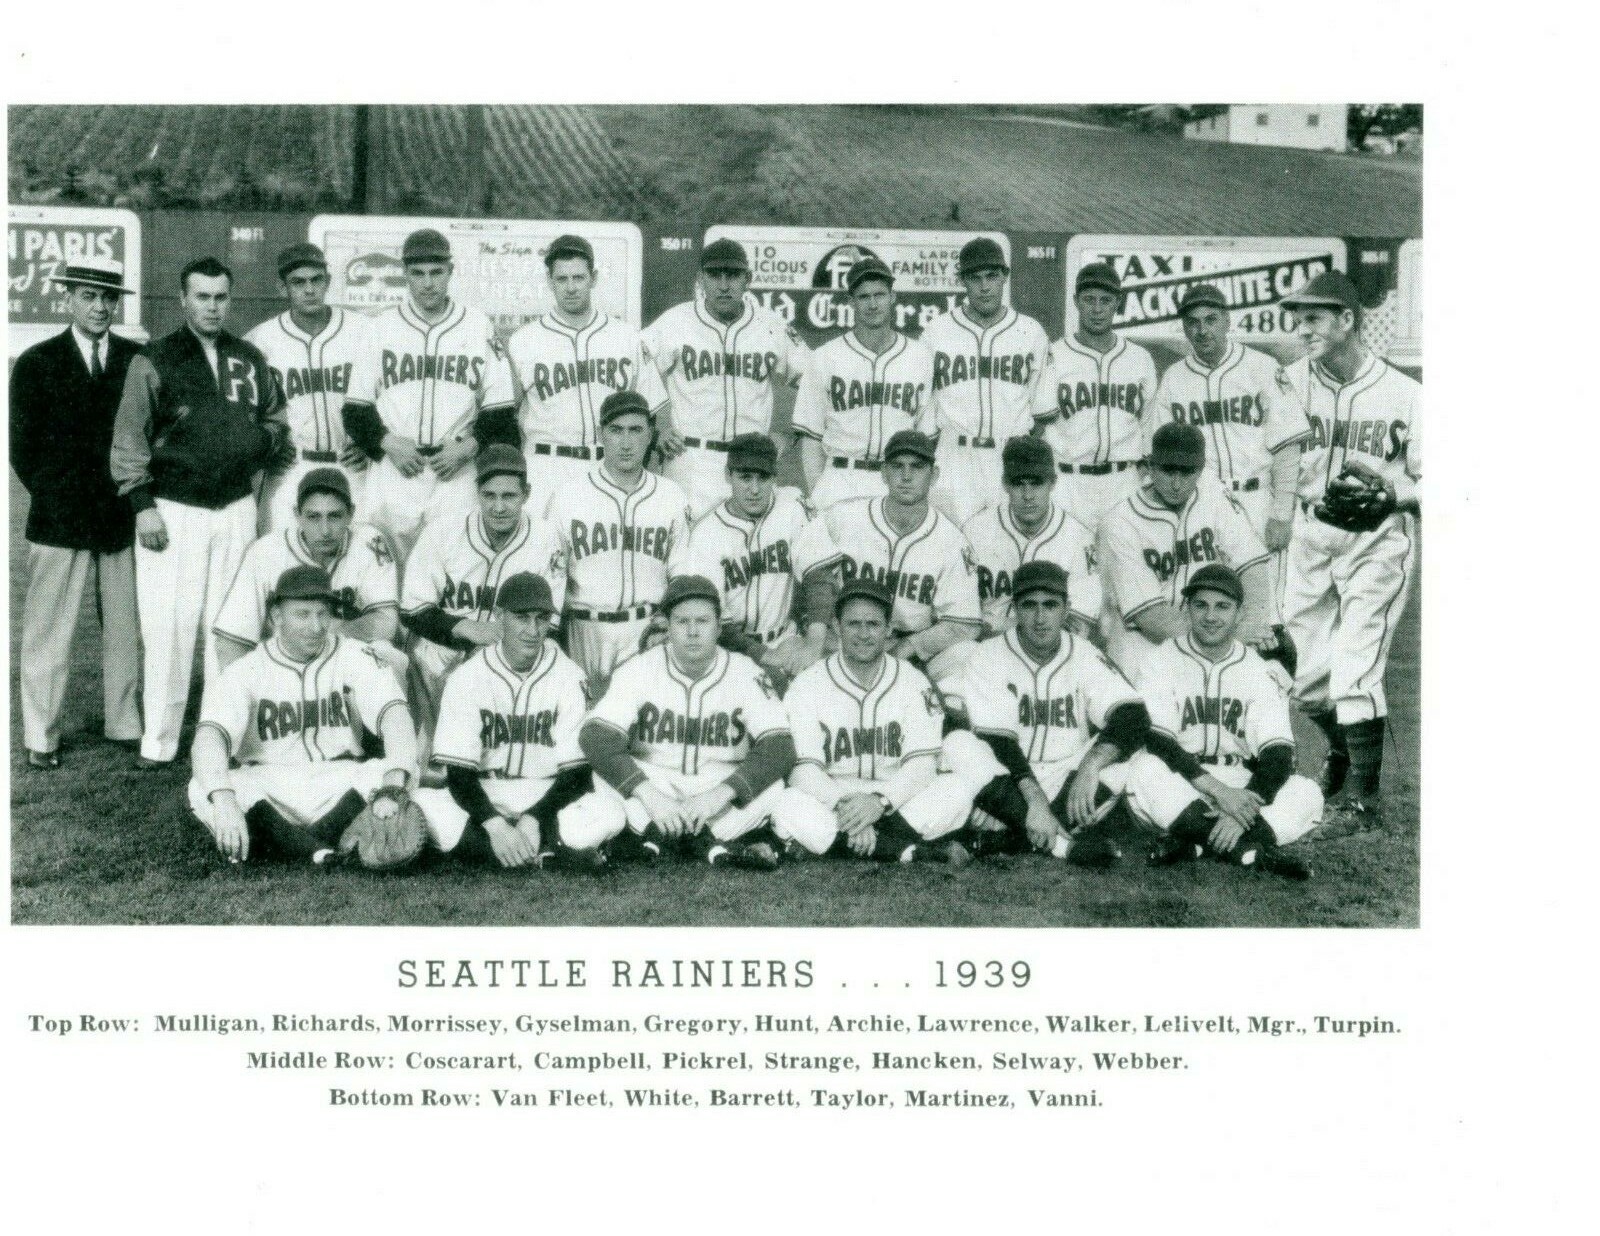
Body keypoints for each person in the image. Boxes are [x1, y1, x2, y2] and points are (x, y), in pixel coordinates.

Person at [110, 255, 291, 768]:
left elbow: (276, 417)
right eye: (203, 297)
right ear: (183, 300)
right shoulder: (155, 358)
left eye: (221, 297)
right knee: (169, 626)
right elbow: (128, 439)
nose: (213, 306)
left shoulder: (250, 356)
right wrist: (142, 505)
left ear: (229, 300)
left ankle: (222, 738)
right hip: (173, 507)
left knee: (228, 628)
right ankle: (161, 741)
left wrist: (260, 439)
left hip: (234, 506)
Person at [1278, 271, 1421, 834]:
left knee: (1355, 668)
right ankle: (1345, 757)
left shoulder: (1406, 394)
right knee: (1307, 678)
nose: (1301, 328)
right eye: (1297, 317)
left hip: (1377, 538)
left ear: (1347, 319)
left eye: (1313, 317)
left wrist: (1394, 496)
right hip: (1311, 533)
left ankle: (1363, 799)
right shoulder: (1288, 383)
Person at [579, 575, 828, 869]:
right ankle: (713, 845)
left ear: (719, 627)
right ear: (668, 626)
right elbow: (596, 737)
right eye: (683, 622)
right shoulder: (639, 668)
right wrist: (651, 795)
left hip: (719, 787)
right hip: (655, 783)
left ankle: (655, 842)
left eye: (703, 621)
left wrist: (719, 795)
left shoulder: (745, 672)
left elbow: (779, 746)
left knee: (809, 821)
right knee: (583, 825)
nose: (693, 632)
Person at [187, 565, 418, 866]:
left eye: (323, 614)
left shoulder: (354, 654)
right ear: (275, 618)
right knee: (205, 787)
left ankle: (292, 846)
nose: (316, 626)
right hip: (270, 784)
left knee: (395, 773)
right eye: (302, 614)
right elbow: (209, 738)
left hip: (341, 780)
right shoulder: (245, 670)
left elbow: (395, 715)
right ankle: (327, 846)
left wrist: (391, 784)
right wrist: (225, 801)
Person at [10, 255, 143, 769]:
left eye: (108, 297)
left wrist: (128, 497)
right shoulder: (37, 360)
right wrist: (63, 497)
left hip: (119, 516)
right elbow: (23, 449)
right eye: (89, 296)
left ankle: (124, 723)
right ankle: (41, 737)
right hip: (59, 518)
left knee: (126, 628)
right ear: (68, 298)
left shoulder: (135, 358)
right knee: (48, 630)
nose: (100, 306)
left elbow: (148, 435)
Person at [782, 577, 1005, 864]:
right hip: (834, 799)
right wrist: (843, 805)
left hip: (894, 799)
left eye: (873, 624)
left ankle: (846, 844)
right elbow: (803, 770)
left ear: (888, 629)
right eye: (853, 624)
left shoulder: (913, 681)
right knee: (787, 803)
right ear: (837, 627)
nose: (863, 634)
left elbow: (922, 765)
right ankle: (907, 851)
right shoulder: (807, 683)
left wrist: (880, 802)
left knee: (957, 790)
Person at [957, 560, 1164, 866]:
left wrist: (1091, 766)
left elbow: (1133, 715)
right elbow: (998, 742)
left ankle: (1006, 841)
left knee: (1127, 758)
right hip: (1006, 785)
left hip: (1066, 778)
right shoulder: (987, 655)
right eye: (1030, 606)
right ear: (1014, 609)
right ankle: (1064, 845)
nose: (1040, 618)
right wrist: (1035, 800)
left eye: (1050, 606)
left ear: (1066, 609)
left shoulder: (1084, 653)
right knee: (960, 746)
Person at [414, 572, 624, 871]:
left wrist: (533, 818)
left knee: (611, 810)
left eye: (541, 618)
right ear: (500, 617)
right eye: (522, 618)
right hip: (486, 792)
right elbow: (459, 775)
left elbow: (576, 775)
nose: (533, 629)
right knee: (420, 803)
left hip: (547, 794)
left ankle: (491, 853)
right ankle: (546, 851)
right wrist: (496, 825)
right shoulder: (467, 677)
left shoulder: (569, 675)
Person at [339, 228, 518, 561]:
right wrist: (387, 443)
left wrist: (467, 449)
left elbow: (501, 410)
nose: (427, 283)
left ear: (450, 271)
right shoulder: (380, 328)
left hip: (455, 471)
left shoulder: (478, 326)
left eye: (437, 272)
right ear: (405, 274)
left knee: (453, 566)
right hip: (395, 469)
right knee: (385, 571)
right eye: (418, 273)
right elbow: (355, 409)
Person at [1132, 564, 1317, 877]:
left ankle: (1197, 841)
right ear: (1186, 608)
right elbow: (1159, 742)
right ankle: (1251, 850)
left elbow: (1278, 753)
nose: (1211, 617)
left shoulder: (1259, 669)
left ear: (1240, 613)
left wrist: (1240, 810)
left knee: (1306, 792)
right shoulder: (1160, 659)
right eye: (1201, 605)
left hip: (1240, 782)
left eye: (1222, 607)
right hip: (1184, 781)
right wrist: (1220, 793)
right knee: (1144, 770)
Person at [1142, 282, 1311, 600]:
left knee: (1265, 609)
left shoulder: (1261, 367)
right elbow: (1158, 460)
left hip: (1258, 500)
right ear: (1184, 328)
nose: (1202, 330)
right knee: (1205, 604)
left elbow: (1287, 447)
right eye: (1193, 322)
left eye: (1210, 319)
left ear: (1227, 321)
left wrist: (1281, 514)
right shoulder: (1175, 379)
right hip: (1202, 505)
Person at [400, 445, 567, 764]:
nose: (499, 507)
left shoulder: (546, 539)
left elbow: (550, 623)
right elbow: (412, 609)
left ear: (527, 494)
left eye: (509, 496)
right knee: (431, 761)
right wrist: (466, 628)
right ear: (477, 492)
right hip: (441, 653)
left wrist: (494, 646)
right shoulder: (444, 531)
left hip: (511, 657)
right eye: (489, 496)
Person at [641, 238, 809, 518]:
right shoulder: (675, 322)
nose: (723, 284)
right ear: (700, 279)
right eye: (714, 275)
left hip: (752, 463)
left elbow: (815, 380)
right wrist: (657, 427)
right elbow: (634, 367)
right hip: (690, 460)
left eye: (732, 275)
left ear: (747, 280)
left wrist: (790, 433)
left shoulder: (771, 325)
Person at [1097, 422, 1277, 682]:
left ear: (1201, 470)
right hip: (1144, 646)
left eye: (1187, 472)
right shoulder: (1120, 523)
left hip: (1211, 631)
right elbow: (1152, 619)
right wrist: (1232, 636)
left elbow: (1253, 566)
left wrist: (1254, 627)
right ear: (1149, 467)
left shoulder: (1213, 498)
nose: (1177, 483)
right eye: (1168, 470)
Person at [548, 390, 692, 698]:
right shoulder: (569, 495)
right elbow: (553, 575)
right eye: (616, 431)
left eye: (636, 430)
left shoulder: (671, 496)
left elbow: (681, 572)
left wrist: (667, 621)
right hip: (583, 630)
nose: (626, 443)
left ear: (651, 434)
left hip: (646, 629)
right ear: (601, 434)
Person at [507, 234, 668, 503]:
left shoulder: (625, 336)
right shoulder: (524, 340)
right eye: (562, 279)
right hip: (546, 465)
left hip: (608, 464)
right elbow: (503, 413)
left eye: (578, 278)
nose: (571, 287)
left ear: (593, 278)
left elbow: (656, 407)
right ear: (550, 281)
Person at [824, 430, 982, 694]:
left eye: (917, 467)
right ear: (883, 473)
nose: (906, 476)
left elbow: (965, 624)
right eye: (898, 466)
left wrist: (910, 647)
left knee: (968, 656)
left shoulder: (952, 541)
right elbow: (808, 578)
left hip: (912, 649)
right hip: (845, 640)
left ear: (934, 476)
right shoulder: (843, 518)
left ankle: (945, 724)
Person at [684, 432, 841, 694]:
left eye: (763, 478)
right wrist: (764, 655)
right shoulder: (706, 532)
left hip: (787, 638)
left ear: (775, 477)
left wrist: (812, 645)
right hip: (729, 649)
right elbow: (710, 618)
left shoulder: (791, 506)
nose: (754, 489)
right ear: (728, 476)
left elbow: (820, 578)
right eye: (745, 478)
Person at [212, 468, 400, 675]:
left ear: (351, 514)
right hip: (282, 664)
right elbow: (231, 641)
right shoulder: (266, 552)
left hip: (345, 657)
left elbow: (386, 623)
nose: (325, 530)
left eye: (335, 516)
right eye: (313, 517)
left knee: (389, 656)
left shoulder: (369, 541)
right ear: (297, 515)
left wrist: (317, 633)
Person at [245, 242, 374, 533]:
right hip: (291, 467)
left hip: (352, 465)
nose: (309, 289)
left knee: (358, 550)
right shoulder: (260, 340)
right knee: (281, 552)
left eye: (316, 280)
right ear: (282, 288)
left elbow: (390, 396)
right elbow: (242, 411)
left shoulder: (363, 330)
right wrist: (268, 448)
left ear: (327, 281)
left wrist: (370, 444)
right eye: (298, 282)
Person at [920, 237, 1050, 524]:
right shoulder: (937, 331)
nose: (984, 286)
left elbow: (1041, 413)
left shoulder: (1030, 331)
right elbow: (924, 409)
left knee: (1007, 549)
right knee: (950, 550)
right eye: (975, 278)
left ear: (1005, 277)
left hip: (1010, 456)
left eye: (992, 276)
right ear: (963, 281)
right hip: (953, 456)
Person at [792, 257, 935, 512]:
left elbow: (927, 436)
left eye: (879, 295)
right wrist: (819, 490)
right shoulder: (825, 357)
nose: (872, 304)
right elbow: (811, 438)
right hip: (840, 477)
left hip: (894, 480)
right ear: (851, 302)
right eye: (863, 296)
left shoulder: (919, 357)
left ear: (892, 297)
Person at [1031, 263, 1157, 532]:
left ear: (1117, 304)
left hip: (1124, 481)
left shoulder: (1139, 358)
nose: (1097, 309)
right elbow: (1037, 426)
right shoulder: (1054, 354)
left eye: (1105, 300)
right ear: (1076, 302)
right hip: (1068, 481)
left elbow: (1149, 425)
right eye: (1089, 300)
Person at [963, 436, 1101, 640]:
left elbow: (1079, 624)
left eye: (1036, 483)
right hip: (984, 642)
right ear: (1005, 484)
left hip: (1049, 649)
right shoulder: (975, 530)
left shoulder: (1078, 537)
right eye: (1019, 484)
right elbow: (958, 612)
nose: (1028, 495)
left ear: (1052, 483)